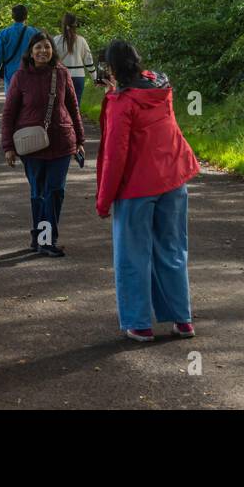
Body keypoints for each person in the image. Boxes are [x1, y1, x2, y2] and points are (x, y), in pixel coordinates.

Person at [95, 39, 200, 342]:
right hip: (173, 176)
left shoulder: (122, 103)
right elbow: (147, 80)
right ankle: (182, 319)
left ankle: (139, 323)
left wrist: (103, 201)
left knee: (133, 256)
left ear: (111, 68)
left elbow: (115, 156)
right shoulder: (159, 86)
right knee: (172, 250)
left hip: (137, 188)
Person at [2, 32, 84, 257]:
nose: (43, 51)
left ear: (52, 50)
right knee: (38, 192)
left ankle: (46, 239)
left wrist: (80, 140)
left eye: (47, 47)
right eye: (38, 48)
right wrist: (8, 146)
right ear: (30, 51)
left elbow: (73, 107)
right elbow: (9, 113)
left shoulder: (62, 73)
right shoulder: (21, 77)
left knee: (55, 191)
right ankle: (39, 236)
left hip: (61, 142)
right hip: (32, 145)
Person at [0, 5, 38, 94]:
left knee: (11, 101)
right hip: (30, 72)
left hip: (10, 73)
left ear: (12, 16)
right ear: (26, 16)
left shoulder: (4, 33)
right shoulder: (35, 32)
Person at [52, 12, 94, 103]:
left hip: (61, 76)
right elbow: (88, 60)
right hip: (78, 77)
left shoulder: (56, 40)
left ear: (63, 24)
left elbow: (52, 60)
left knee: (61, 105)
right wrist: (95, 78)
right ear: (75, 25)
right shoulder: (81, 40)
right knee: (76, 105)